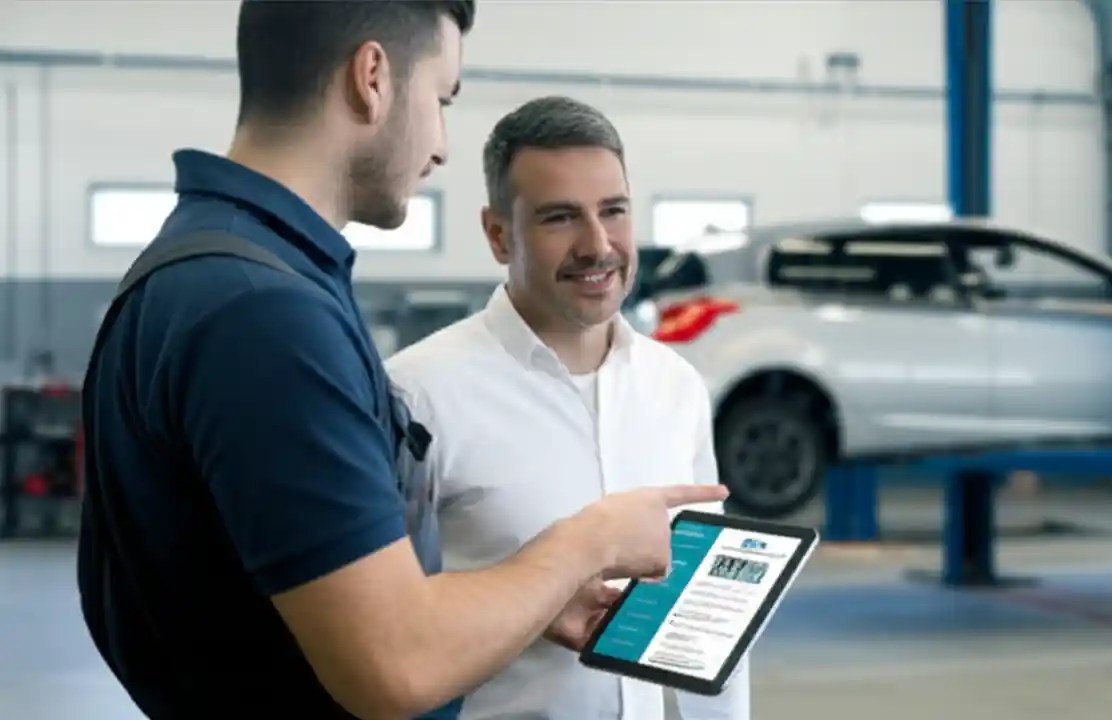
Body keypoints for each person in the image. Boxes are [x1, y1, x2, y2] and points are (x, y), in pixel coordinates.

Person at [76, 4, 727, 720]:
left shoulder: (214, 270)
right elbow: (395, 661)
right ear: (373, 77)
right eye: (441, 98)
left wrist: (529, 602)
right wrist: (587, 541)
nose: (441, 145)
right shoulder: (262, 312)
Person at [384, 95, 751, 719]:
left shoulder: (675, 387)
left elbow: (705, 625)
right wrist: (530, 599)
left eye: (614, 211)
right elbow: (377, 625)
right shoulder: (418, 394)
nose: (598, 244)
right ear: (499, 235)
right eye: (560, 218)